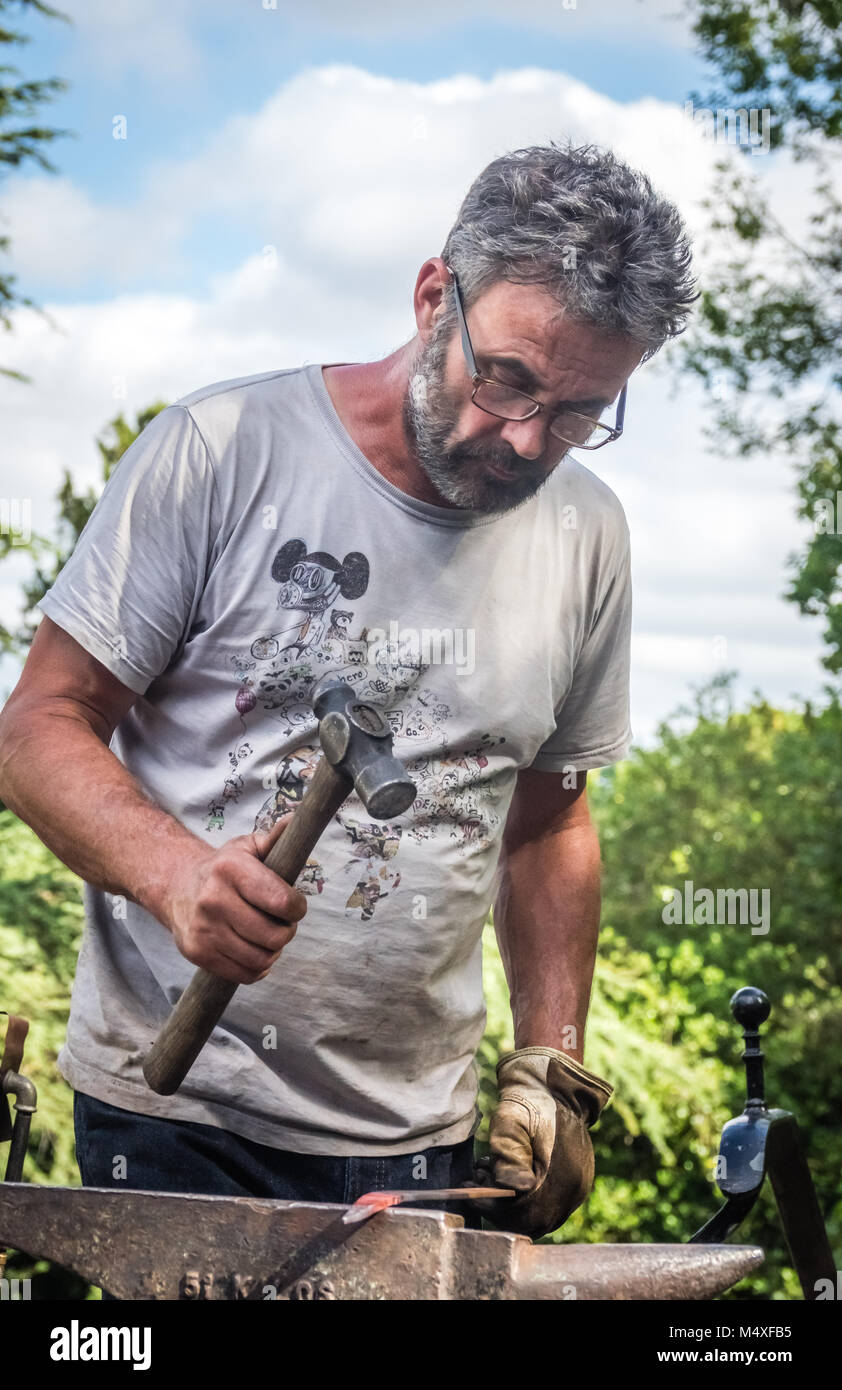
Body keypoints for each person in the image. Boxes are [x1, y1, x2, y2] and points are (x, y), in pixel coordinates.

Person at [0, 141, 695, 1267]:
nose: (526, 441)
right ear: (434, 298)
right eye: (508, 378)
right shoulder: (223, 453)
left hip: (420, 1137)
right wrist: (174, 873)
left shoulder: (587, 534)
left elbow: (549, 821)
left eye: (578, 412)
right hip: (175, 1115)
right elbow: (36, 728)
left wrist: (549, 1066)